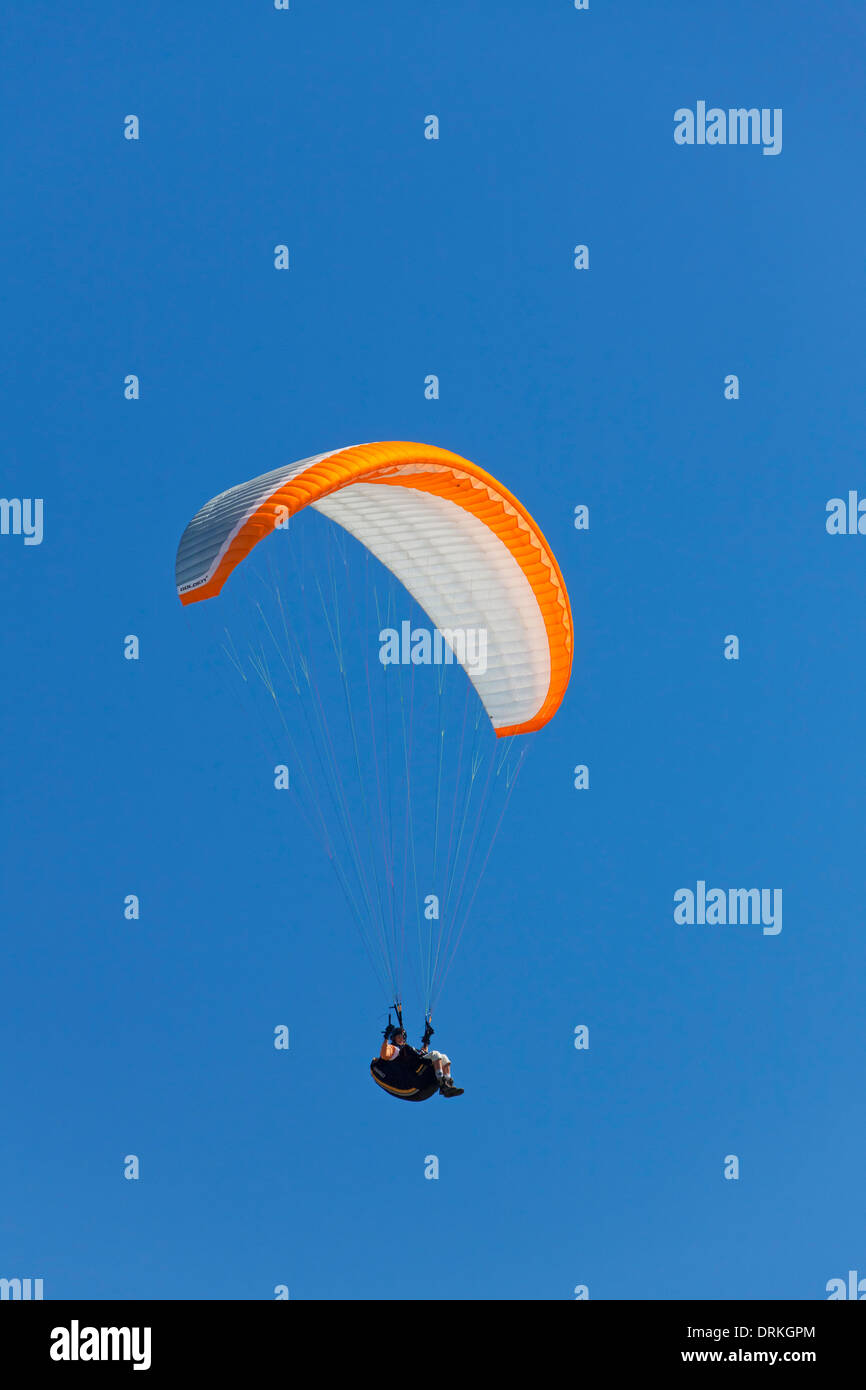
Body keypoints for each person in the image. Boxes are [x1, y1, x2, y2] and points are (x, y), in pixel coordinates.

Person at [380, 1025, 464, 1097]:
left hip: (417, 1065)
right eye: (398, 1037)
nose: (401, 1039)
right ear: (394, 1039)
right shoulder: (394, 1048)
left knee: (444, 1057)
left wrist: (426, 1040)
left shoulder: (407, 1049)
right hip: (411, 1074)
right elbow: (384, 1055)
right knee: (435, 1054)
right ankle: (442, 1084)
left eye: (403, 1038)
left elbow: (421, 1054)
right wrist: (386, 1037)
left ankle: (448, 1084)